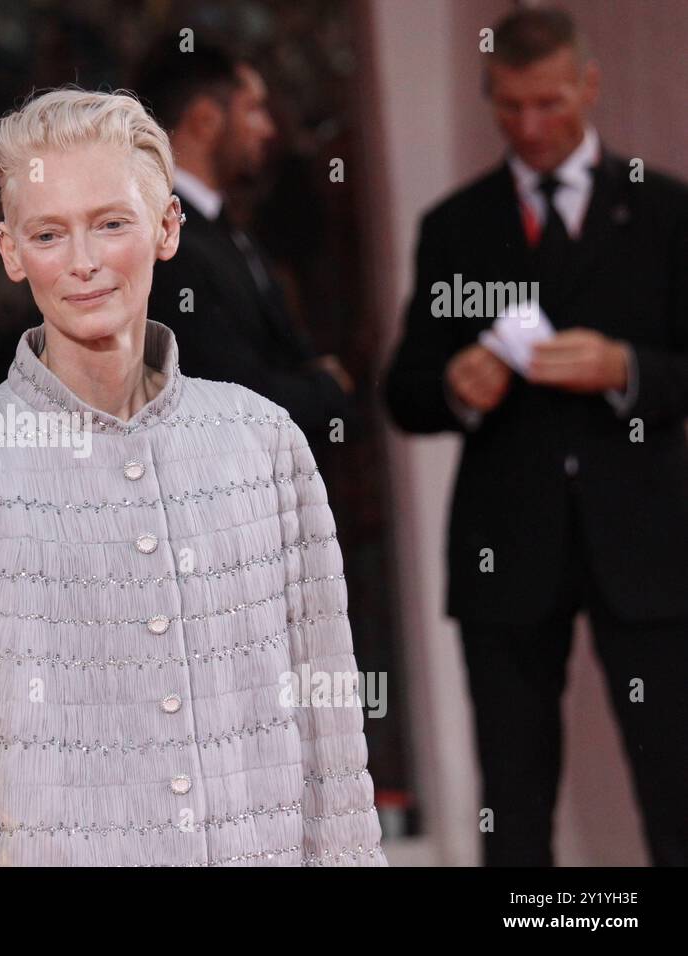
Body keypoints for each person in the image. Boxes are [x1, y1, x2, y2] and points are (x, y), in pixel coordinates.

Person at [0, 88, 386, 866]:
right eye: (49, 233)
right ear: (10, 251)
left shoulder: (263, 442)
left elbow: (331, 739)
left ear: (167, 227)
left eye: (111, 223)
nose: (82, 262)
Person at [384, 7, 688, 865]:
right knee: (512, 803)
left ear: (589, 86)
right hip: (507, 549)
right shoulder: (457, 227)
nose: (531, 127)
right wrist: (455, 389)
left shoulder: (664, 210)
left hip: (649, 543)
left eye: (550, 103)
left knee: (676, 781)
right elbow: (404, 391)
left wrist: (625, 368)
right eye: (510, 107)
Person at [138, 41, 353, 443]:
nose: (268, 128)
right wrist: (328, 390)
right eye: (252, 108)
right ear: (205, 120)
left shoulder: (224, 228)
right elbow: (231, 399)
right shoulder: (169, 246)